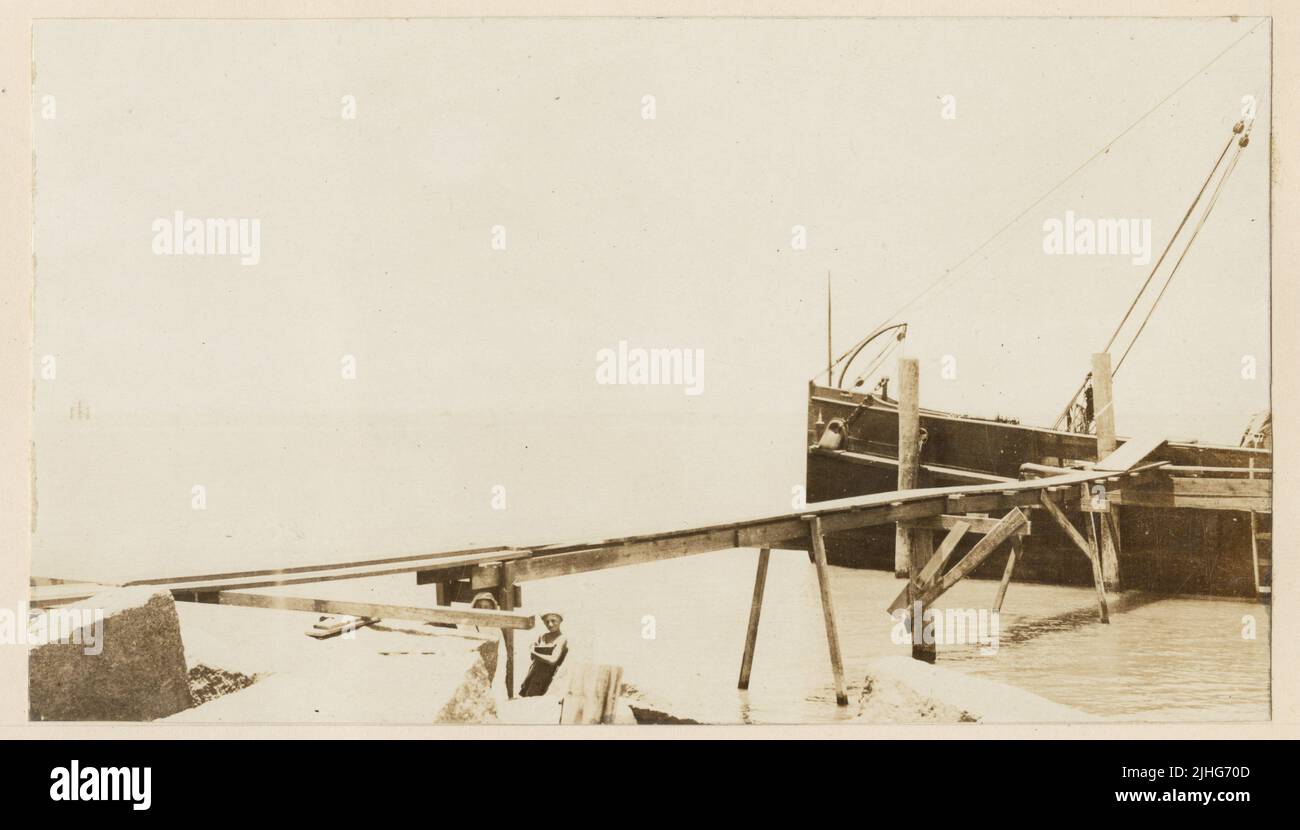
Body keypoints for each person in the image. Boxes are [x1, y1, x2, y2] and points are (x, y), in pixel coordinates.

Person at [518, 612, 567, 697]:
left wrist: (534, 652)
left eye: (553, 621)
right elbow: (532, 658)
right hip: (534, 674)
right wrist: (533, 648)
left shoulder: (562, 639)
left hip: (549, 677)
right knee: (529, 699)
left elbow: (553, 660)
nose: (550, 624)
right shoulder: (542, 636)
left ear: (560, 621)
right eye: (547, 622)